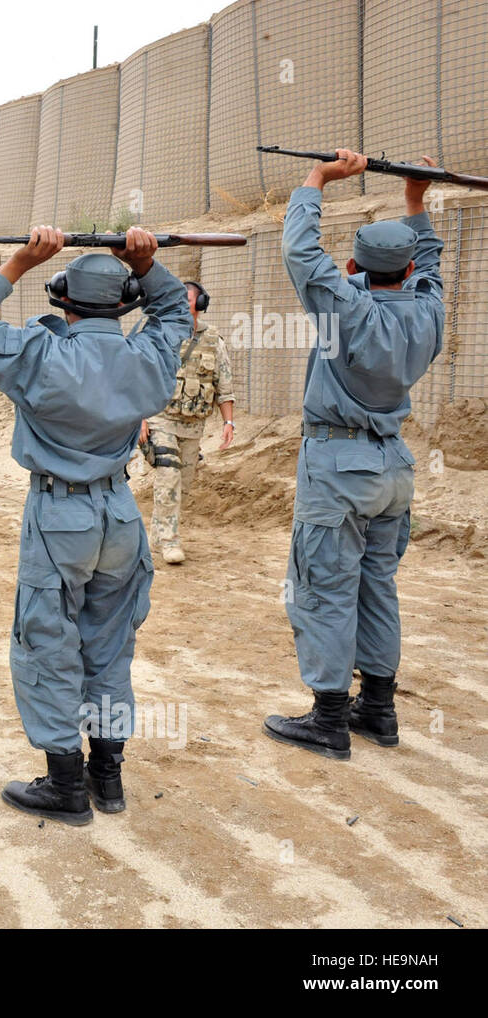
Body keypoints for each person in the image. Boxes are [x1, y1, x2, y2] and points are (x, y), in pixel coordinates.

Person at [0, 227, 189, 824]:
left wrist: (19, 263)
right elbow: (176, 308)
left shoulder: (38, 353)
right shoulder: (149, 353)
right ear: (125, 301)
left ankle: (65, 785)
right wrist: (148, 263)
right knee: (109, 645)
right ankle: (108, 778)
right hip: (121, 510)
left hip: (60, 514)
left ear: (64, 299)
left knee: (49, 644)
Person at [263, 150, 444, 759]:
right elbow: (432, 263)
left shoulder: (347, 310)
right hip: (393, 466)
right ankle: (380, 710)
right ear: (410, 268)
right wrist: (416, 200)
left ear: (353, 267)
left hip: (339, 468)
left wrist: (317, 180)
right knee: (377, 587)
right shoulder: (428, 311)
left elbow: (301, 254)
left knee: (324, 588)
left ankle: (330, 719)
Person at [139, 281, 236, 564]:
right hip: (162, 418)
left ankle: (157, 534)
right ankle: (170, 541)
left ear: (200, 303)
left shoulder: (214, 341)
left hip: (193, 425)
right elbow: (141, 379)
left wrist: (229, 423)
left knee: (183, 484)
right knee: (168, 476)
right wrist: (140, 418)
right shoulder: (159, 335)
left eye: (187, 298)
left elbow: (224, 386)